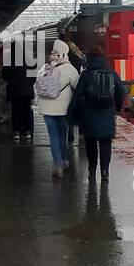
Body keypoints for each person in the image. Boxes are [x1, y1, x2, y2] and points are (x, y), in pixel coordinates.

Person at [67, 51, 127, 182]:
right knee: (106, 145)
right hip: (107, 115)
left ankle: (92, 170)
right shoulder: (112, 74)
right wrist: (116, 107)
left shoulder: (86, 75)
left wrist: (71, 116)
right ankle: (105, 172)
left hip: (89, 116)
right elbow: (122, 92)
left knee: (91, 145)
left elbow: (76, 97)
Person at [36, 38, 80, 177]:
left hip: (47, 108)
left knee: (53, 136)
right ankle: (62, 160)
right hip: (63, 109)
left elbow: (37, 85)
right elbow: (77, 87)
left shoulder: (46, 68)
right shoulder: (70, 69)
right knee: (63, 136)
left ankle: (57, 164)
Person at [1, 57, 35, 143]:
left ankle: (16, 132)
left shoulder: (9, 60)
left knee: (16, 110)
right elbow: (34, 75)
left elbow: (5, 75)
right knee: (27, 110)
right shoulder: (29, 59)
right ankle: (27, 132)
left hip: (14, 89)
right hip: (27, 89)